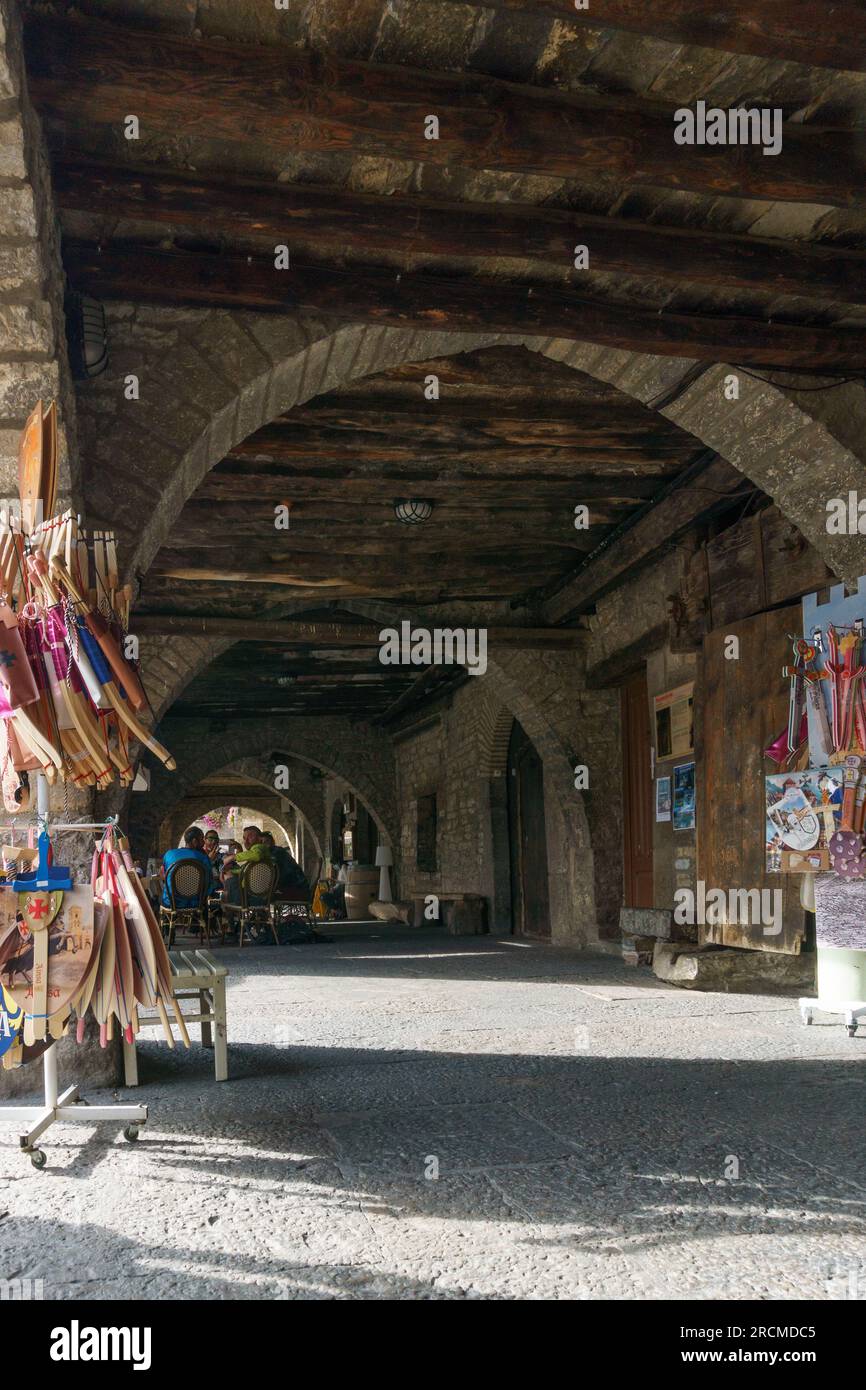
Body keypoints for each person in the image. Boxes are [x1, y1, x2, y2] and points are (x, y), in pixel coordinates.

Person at [160, 827, 213, 909]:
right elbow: (209, 882)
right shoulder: (203, 858)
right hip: (195, 904)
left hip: (170, 902)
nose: (204, 842)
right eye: (202, 839)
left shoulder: (169, 854)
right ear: (195, 841)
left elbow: (163, 875)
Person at [221, 826, 272, 906]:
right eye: (244, 838)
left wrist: (233, 857)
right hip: (260, 898)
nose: (246, 841)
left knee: (226, 892)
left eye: (250, 837)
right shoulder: (259, 854)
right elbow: (247, 870)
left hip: (249, 897)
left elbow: (256, 855)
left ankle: (233, 915)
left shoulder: (259, 848)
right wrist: (232, 871)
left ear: (259, 839)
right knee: (228, 882)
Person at [260, 831, 309, 896]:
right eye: (261, 842)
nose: (264, 844)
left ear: (271, 842)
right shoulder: (274, 851)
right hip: (298, 886)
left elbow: (275, 874)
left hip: (296, 888)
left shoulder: (276, 853)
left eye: (266, 841)